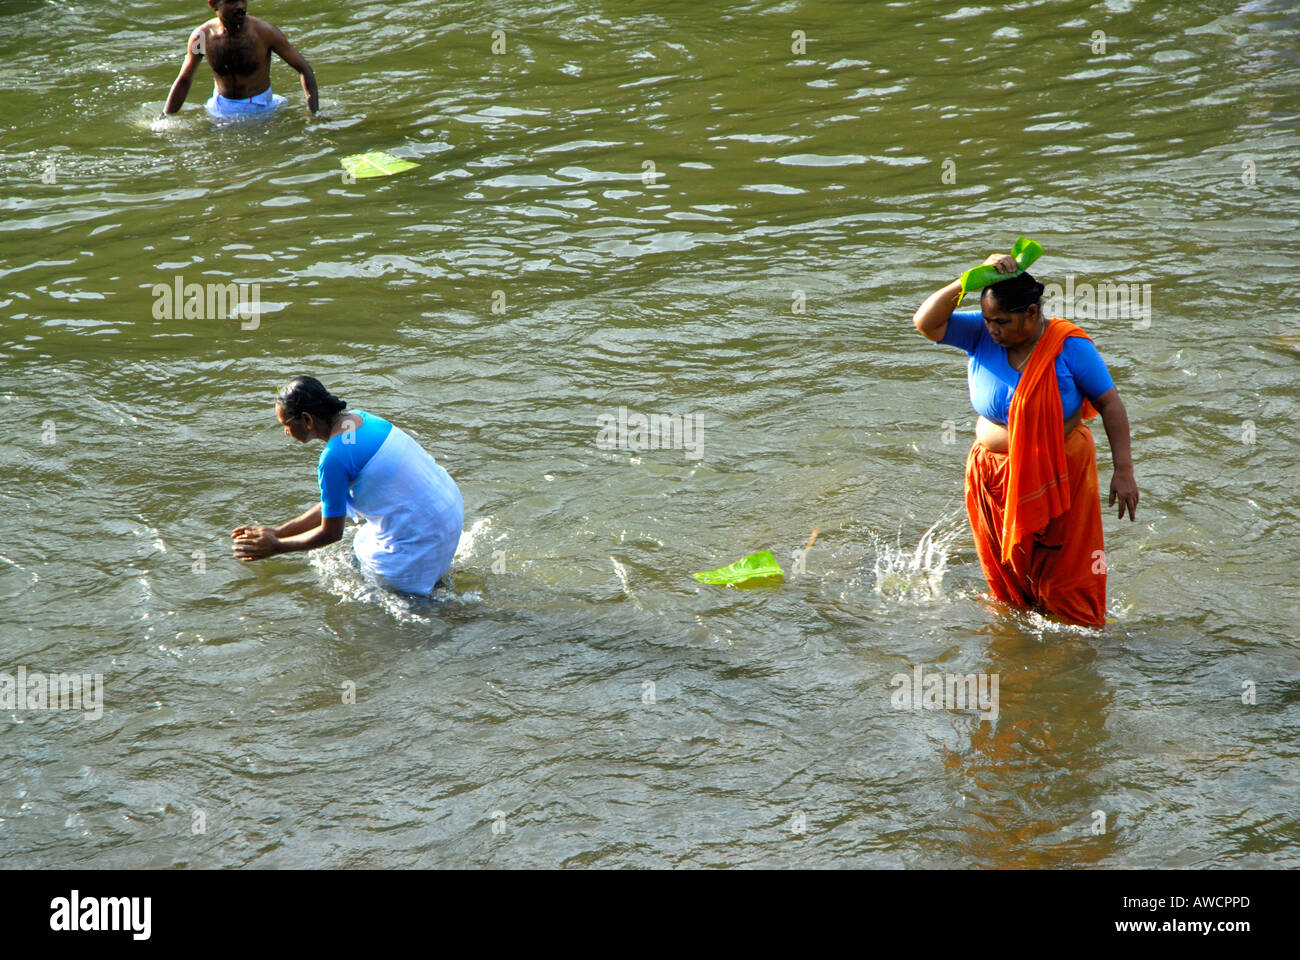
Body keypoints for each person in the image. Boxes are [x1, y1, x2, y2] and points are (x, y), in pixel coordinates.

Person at [913, 253, 1139, 628]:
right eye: (987, 320)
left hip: (1058, 471)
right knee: (1005, 570)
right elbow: (926, 322)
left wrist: (1124, 470)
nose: (992, 329)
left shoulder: (1068, 346)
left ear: (1032, 313)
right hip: (994, 473)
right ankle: (1017, 628)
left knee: (1064, 564)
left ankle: (1077, 633)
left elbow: (1110, 404)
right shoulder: (980, 334)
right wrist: (965, 281)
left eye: (1002, 321)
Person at [233, 377, 464, 596]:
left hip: (424, 533)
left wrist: (277, 547)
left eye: (286, 424)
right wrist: (278, 532)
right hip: (447, 513)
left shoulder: (333, 458)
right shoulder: (359, 419)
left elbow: (331, 532)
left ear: (307, 419)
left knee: (386, 593)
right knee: (362, 545)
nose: (285, 432)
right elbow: (332, 505)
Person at [162, 0, 318, 120]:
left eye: (243, 0)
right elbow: (184, 80)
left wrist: (315, 115)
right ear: (213, 4)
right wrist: (165, 117)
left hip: (262, 107)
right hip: (220, 108)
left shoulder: (265, 33)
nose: (240, 6)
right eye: (231, 1)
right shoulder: (201, 37)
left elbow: (304, 68)